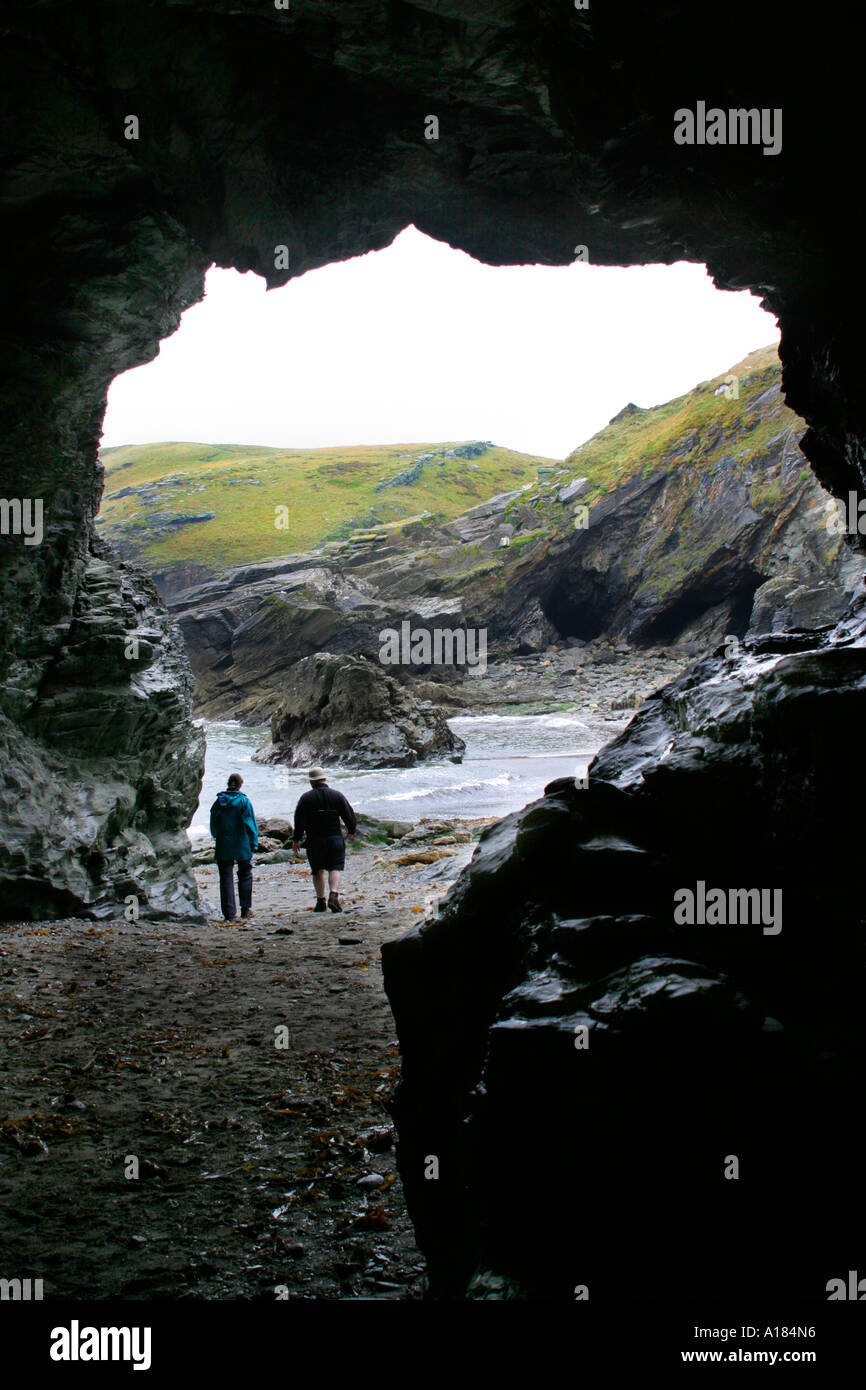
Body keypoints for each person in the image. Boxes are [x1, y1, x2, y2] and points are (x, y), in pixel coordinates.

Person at [293, 766, 356, 913]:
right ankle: (333, 895)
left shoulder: (305, 798)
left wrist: (296, 839)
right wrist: (351, 830)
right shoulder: (337, 795)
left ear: (311, 782)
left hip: (315, 840)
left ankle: (320, 901)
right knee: (335, 867)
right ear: (324, 779)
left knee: (317, 870)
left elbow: (299, 821)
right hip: (334, 837)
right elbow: (348, 814)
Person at [209, 773, 258, 922]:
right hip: (241, 842)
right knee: (245, 874)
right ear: (240, 784)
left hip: (224, 843)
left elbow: (213, 823)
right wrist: (253, 842)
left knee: (225, 877)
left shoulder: (219, 802)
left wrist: (216, 835)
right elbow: (250, 823)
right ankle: (245, 909)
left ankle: (230, 914)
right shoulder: (244, 802)